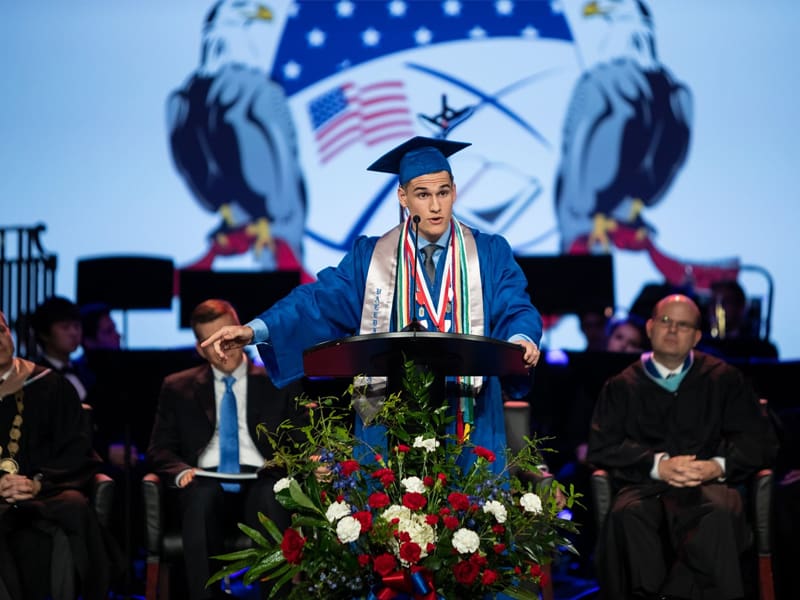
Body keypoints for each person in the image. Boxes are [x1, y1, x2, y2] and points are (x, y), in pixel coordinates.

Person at [200, 136, 543, 475]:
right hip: (390, 409)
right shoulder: (373, 258)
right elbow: (319, 301)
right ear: (403, 197)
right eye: (423, 195)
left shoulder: (489, 252)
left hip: (469, 410)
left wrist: (523, 337)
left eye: (443, 192)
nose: (436, 206)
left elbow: (516, 305)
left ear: (454, 190)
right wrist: (254, 330)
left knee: (469, 515)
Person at [587, 294, 777, 600]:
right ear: (649, 328)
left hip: (710, 484)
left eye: (683, 324)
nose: (673, 330)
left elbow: (760, 440)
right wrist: (657, 465)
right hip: (644, 486)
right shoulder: (621, 386)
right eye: (665, 321)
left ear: (697, 336)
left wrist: (716, 465)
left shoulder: (723, 379)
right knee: (629, 514)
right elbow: (603, 446)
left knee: (716, 513)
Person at [146, 299, 306, 600]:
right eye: (212, 342)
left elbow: (300, 443)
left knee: (271, 494)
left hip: (262, 481)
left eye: (227, 337)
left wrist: (286, 463)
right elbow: (159, 449)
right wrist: (181, 472)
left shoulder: (279, 382)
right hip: (206, 483)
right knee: (202, 494)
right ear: (199, 349)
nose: (224, 348)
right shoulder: (177, 387)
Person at [0, 310, 119, 600]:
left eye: (1, 330)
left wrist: (37, 483)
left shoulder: (49, 385)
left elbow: (77, 449)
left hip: (46, 490)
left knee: (74, 508)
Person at [30, 296, 94, 403]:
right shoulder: (35, 376)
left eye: (77, 326)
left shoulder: (87, 371)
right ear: (44, 334)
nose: (74, 333)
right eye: (65, 327)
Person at [700, 279, 778, 360]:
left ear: (741, 308)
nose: (717, 309)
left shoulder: (762, 351)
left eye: (725, 302)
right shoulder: (697, 346)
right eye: (713, 302)